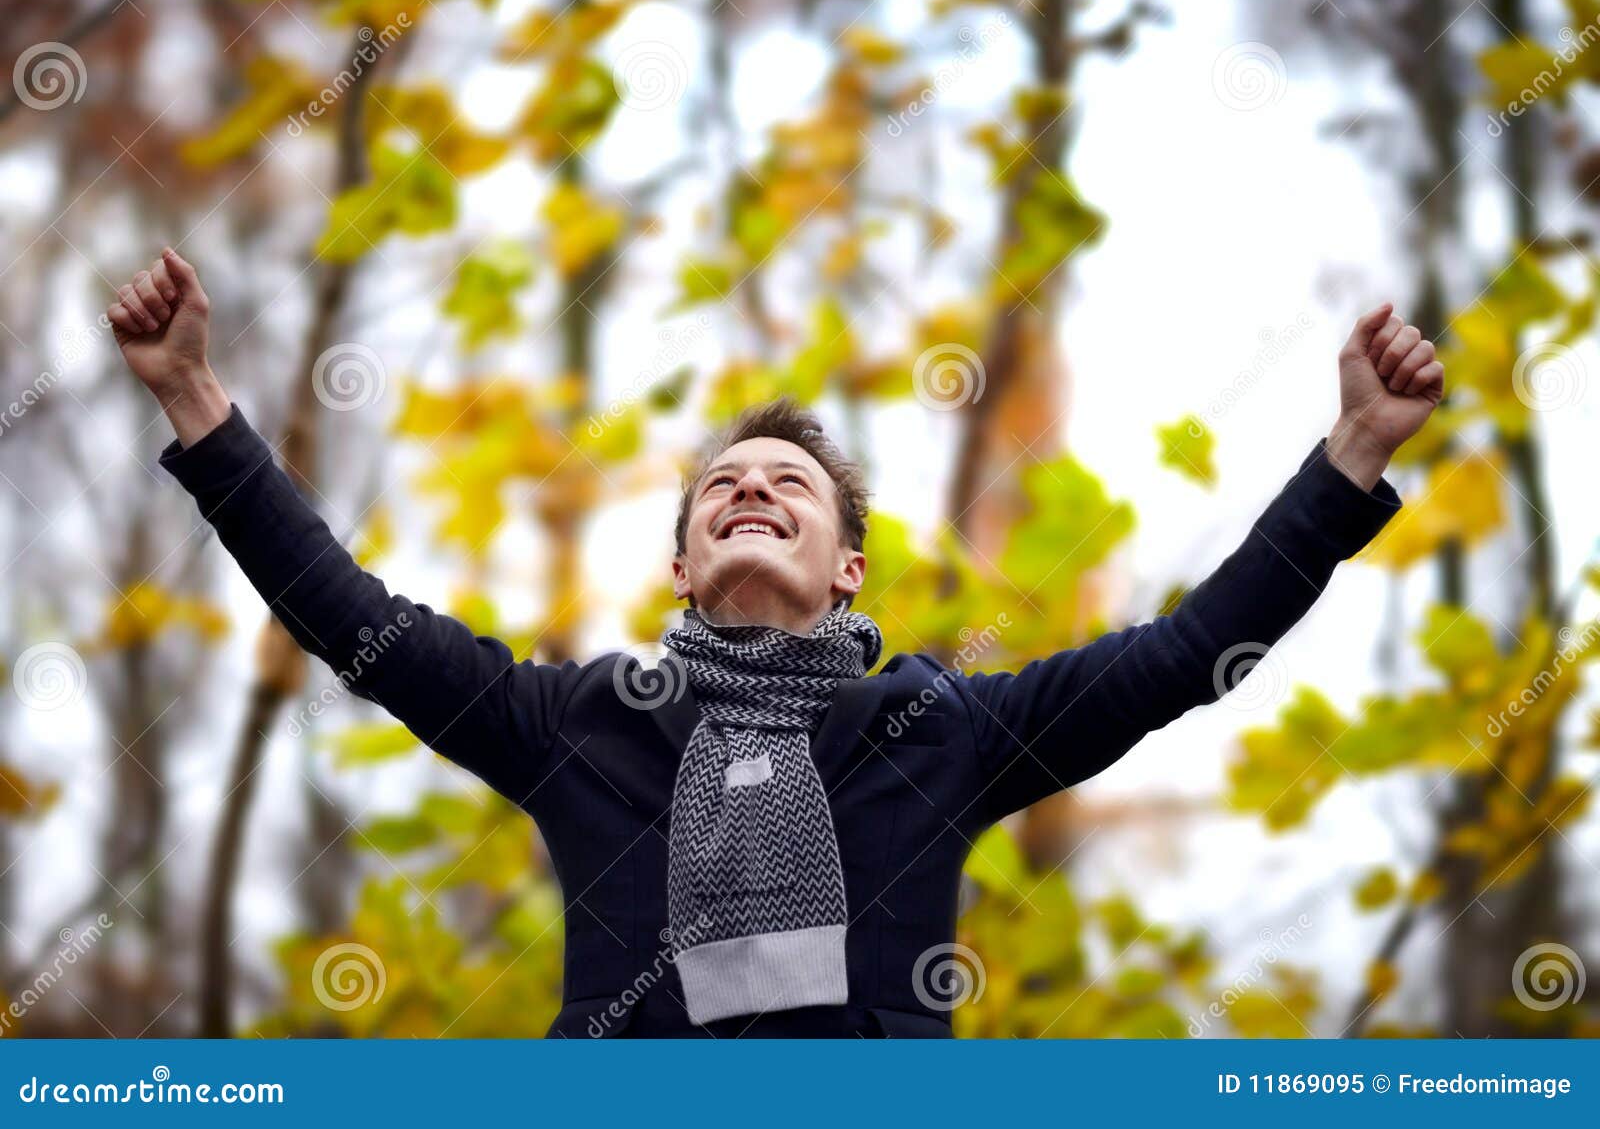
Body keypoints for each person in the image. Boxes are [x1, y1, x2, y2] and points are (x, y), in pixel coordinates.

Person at [110, 248, 1442, 1037]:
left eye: (788, 484)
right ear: (681, 564)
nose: (753, 488)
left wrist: (1353, 455)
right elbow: (352, 619)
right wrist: (194, 398)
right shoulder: (578, 722)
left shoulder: (942, 733)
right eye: (722, 485)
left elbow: (1183, 653)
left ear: (847, 566)